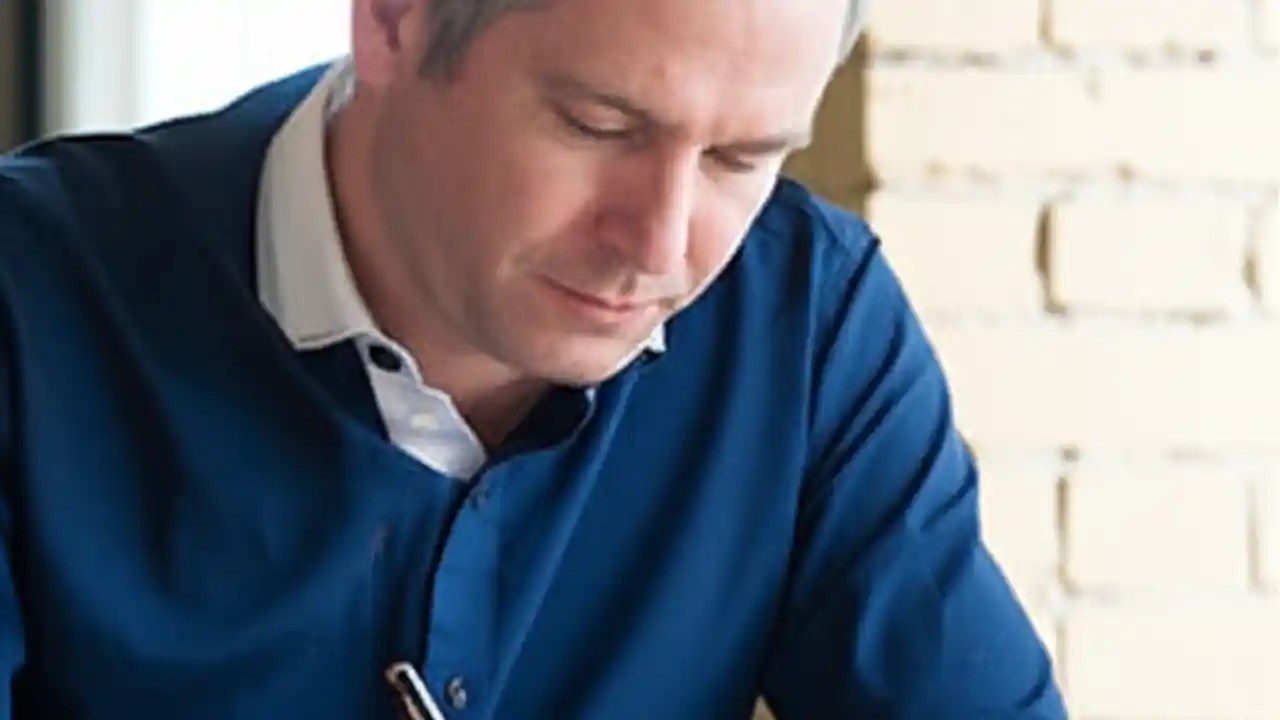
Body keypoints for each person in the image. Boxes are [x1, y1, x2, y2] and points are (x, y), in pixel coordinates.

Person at [0, 0, 1067, 717]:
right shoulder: (28, 300)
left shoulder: (808, 322)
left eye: (739, 159)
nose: (659, 246)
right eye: (598, 125)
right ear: (394, 19)